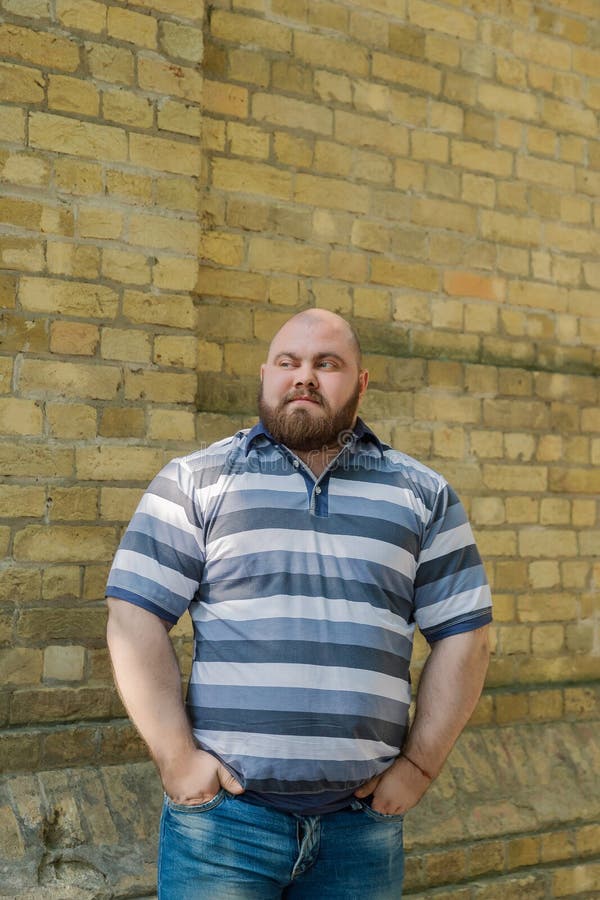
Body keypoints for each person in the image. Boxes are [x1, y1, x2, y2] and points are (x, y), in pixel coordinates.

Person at [106, 308, 492, 899]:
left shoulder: (423, 495)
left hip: (358, 835)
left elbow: (465, 634)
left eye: (326, 364)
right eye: (289, 363)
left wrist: (418, 768)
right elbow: (134, 616)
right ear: (266, 375)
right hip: (224, 833)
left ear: (360, 383)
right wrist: (178, 761)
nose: (304, 377)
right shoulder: (196, 482)